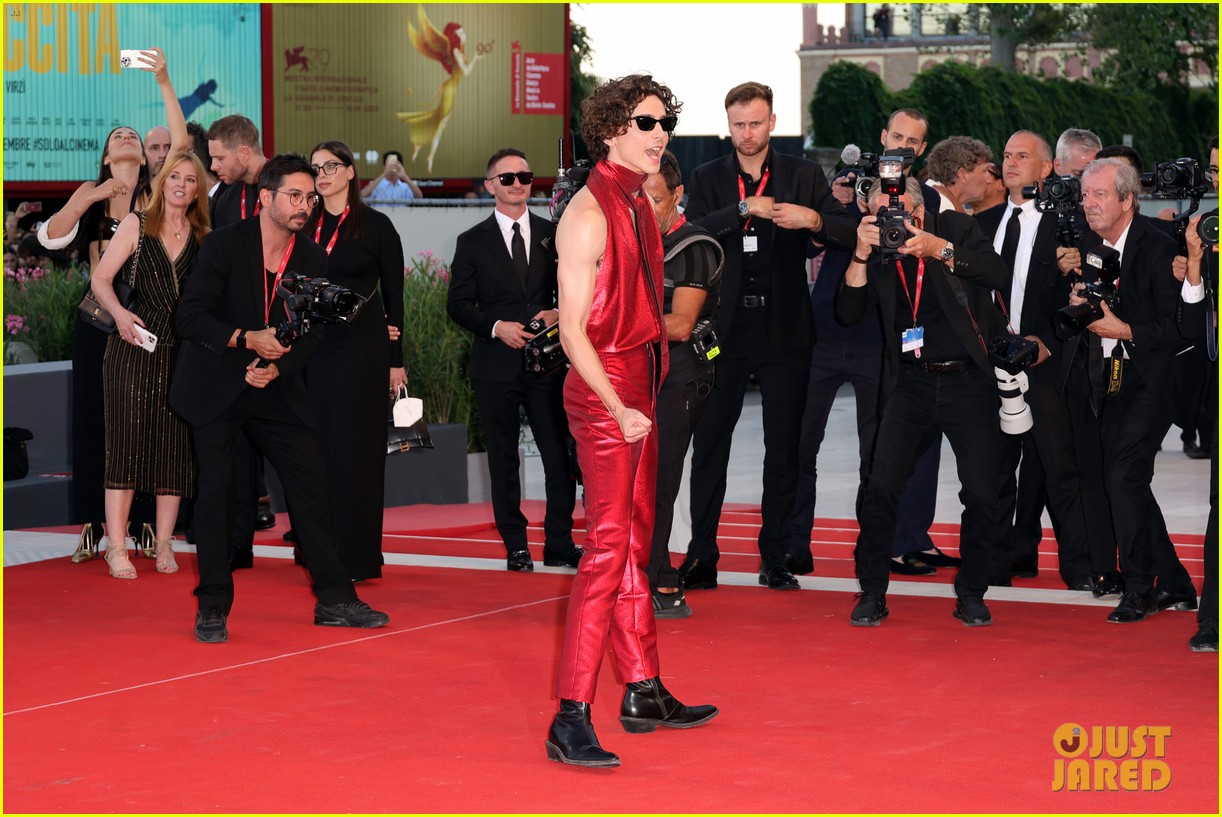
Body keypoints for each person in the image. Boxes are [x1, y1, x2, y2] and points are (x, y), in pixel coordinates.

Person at [545, 74, 716, 769]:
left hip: (643, 384)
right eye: (647, 122)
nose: (661, 132)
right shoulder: (588, 213)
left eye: (665, 120)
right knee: (608, 547)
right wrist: (618, 407)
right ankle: (570, 713)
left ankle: (642, 687)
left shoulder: (641, 202)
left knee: (636, 540)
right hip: (606, 391)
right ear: (612, 129)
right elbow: (573, 332)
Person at [169, 153, 391, 643]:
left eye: (310, 197)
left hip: (274, 387)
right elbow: (189, 318)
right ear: (266, 197)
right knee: (217, 496)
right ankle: (212, 606)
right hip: (216, 385)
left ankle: (334, 599)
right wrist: (246, 340)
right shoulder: (225, 244)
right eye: (295, 196)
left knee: (311, 487)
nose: (305, 206)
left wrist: (277, 366)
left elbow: (314, 333)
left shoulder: (312, 257)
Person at [681, 81, 855, 592]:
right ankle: (701, 555)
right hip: (723, 331)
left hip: (786, 330)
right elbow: (691, 234)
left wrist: (813, 218)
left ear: (772, 122)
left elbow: (844, 231)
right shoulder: (707, 176)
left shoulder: (803, 174)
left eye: (755, 123)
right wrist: (743, 210)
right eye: (738, 124)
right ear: (728, 125)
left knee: (784, 449)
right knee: (710, 445)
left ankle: (775, 557)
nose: (747, 133)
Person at [35, 48, 187, 564]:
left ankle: (140, 524)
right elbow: (52, 237)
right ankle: (91, 525)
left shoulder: (156, 195)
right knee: (93, 421)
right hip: (98, 322)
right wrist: (90, 195)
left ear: (145, 157)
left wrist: (163, 80)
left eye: (133, 137)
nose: (125, 137)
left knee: (142, 418)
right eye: (116, 136)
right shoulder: (91, 193)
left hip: (145, 323)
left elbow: (181, 143)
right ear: (105, 156)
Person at [837, 177, 1011, 627]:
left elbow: (997, 274)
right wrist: (860, 253)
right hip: (910, 383)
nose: (890, 223)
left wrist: (939, 249)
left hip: (968, 380)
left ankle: (972, 593)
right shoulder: (877, 248)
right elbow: (848, 312)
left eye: (897, 214)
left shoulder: (954, 226)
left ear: (918, 210)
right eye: (879, 215)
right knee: (880, 488)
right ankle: (871, 592)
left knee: (982, 493)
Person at [1063, 158, 1204, 623]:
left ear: (1127, 200)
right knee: (1126, 482)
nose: (1088, 203)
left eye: (1099, 194)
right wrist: (1080, 303)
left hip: (1153, 379)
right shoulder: (1087, 245)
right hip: (1108, 378)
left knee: (1122, 479)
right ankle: (1176, 582)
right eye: (1085, 195)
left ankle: (1140, 587)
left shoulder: (1160, 247)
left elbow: (1179, 329)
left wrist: (1123, 329)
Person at [446, 148, 581, 572]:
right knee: (503, 459)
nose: (518, 183)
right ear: (491, 186)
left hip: (548, 364)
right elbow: (457, 304)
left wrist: (557, 311)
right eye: (507, 178)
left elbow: (576, 287)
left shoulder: (553, 234)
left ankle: (559, 543)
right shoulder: (471, 241)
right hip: (495, 367)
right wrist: (495, 326)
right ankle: (516, 545)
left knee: (559, 457)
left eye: (524, 176)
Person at [976, 130, 1095, 591]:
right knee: (993, 471)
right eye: (1006, 155)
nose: (1010, 163)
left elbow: (1079, 296)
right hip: (993, 363)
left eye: (1022, 156)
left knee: (1059, 469)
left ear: (1046, 168)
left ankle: (1080, 567)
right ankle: (997, 563)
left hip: (1046, 362)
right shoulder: (983, 223)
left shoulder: (1068, 225)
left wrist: (1046, 341)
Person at [88, 151, 210, 578]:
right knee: (124, 445)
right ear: (161, 182)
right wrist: (121, 316)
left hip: (181, 352)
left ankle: (164, 543)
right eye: (174, 176)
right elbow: (100, 279)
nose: (181, 185)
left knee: (174, 448)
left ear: (198, 190)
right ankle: (117, 546)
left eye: (190, 179)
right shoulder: (137, 224)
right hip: (132, 346)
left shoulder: (204, 235)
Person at [304, 140, 407, 581]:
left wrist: (395, 361)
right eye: (315, 168)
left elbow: (395, 299)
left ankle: (358, 556)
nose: (322, 175)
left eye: (331, 166)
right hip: (310, 350)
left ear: (350, 171)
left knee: (357, 453)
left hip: (361, 352)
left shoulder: (378, 226)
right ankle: (317, 550)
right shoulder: (302, 224)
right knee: (315, 452)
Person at [641, 150, 724, 618]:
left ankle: (659, 577)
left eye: (654, 200)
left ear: (677, 195)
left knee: (660, 484)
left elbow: (679, 324)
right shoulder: (631, 239)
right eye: (637, 199)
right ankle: (642, 571)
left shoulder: (694, 247)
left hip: (681, 376)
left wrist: (607, 321)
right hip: (637, 373)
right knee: (633, 482)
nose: (645, 209)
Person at [205, 113, 278, 561]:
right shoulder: (226, 197)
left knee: (295, 439)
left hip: (287, 337)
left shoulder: (289, 186)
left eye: (218, 158)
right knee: (238, 444)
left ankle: (312, 536)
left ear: (244, 152)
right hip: (240, 339)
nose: (213, 166)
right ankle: (238, 544)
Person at [396, 6, 483, 173]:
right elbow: (466, 72)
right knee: (440, 122)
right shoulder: (456, 51)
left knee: (440, 122)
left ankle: (421, 148)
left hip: (450, 89)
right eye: (461, 32)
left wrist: (474, 57)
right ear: (455, 36)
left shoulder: (457, 51)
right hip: (450, 90)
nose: (464, 34)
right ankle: (425, 151)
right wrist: (475, 59)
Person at [925, 136, 995, 214]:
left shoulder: (929, 199)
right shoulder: (939, 209)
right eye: (984, 171)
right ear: (962, 175)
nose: (989, 180)